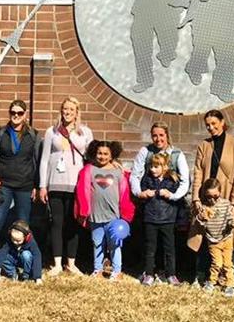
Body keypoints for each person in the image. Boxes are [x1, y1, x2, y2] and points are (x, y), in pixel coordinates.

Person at [188, 110, 234, 290]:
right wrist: (196, 198)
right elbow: (197, 172)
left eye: (214, 123)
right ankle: (201, 273)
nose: (211, 128)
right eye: (208, 125)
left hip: (227, 197)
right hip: (206, 198)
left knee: (231, 234)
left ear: (222, 122)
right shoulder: (204, 145)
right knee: (203, 234)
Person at [38, 97, 94, 276]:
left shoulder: (84, 132)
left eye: (71, 109)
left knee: (73, 224)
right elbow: (44, 159)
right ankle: (56, 263)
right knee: (57, 223)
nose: (67, 112)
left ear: (77, 112)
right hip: (55, 183)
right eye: (65, 109)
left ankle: (71, 262)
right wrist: (42, 185)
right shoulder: (52, 132)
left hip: (76, 183)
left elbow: (91, 158)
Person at [129, 121, 191, 278]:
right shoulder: (146, 152)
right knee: (150, 242)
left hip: (171, 207)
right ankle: (149, 271)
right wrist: (139, 193)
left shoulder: (177, 155)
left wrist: (174, 196)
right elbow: (135, 175)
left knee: (169, 243)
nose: (158, 139)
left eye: (161, 135)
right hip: (150, 206)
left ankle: (169, 272)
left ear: (167, 135)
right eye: (154, 136)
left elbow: (185, 181)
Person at [0, 99, 41, 260]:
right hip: (4, 185)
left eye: (19, 113)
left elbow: (37, 160)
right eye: (13, 112)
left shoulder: (33, 135)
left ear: (25, 115)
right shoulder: (0, 133)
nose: (16, 116)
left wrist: (36, 185)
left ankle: (21, 258)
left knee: (23, 225)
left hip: (25, 185)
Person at [74, 140, 135, 280]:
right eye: (99, 153)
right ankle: (97, 269)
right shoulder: (89, 170)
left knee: (115, 244)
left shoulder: (118, 172)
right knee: (97, 243)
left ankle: (117, 270)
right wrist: (84, 210)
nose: (102, 156)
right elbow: (82, 189)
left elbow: (125, 192)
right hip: (96, 216)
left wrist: (125, 214)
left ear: (112, 155)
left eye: (106, 154)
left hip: (114, 217)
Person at [138, 153, 181, 286]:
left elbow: (177, 193)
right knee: (150, 248)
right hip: (150, 219)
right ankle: (149, 274)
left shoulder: (171, 181)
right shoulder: (147, 179)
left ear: (165, 167)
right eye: (151, 166)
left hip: (168, 219)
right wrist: (146, 193)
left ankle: (171, 274)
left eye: (156, 167)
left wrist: (169, 194)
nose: (152, 169)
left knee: (169, 249)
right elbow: (143, 190)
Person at [194, 178, 234, 297]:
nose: (212, 199)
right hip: (213, 241)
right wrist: (201, 219)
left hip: (227, 238)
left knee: (228, 263)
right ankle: (211, 281)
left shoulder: (226, 204)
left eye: (215, 196)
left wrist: (232, 222)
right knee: (217, 263)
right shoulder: (204, 207)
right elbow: (199, 224)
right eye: (209, 197)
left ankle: (230, 284)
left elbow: (230, 217)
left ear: (220, 192)